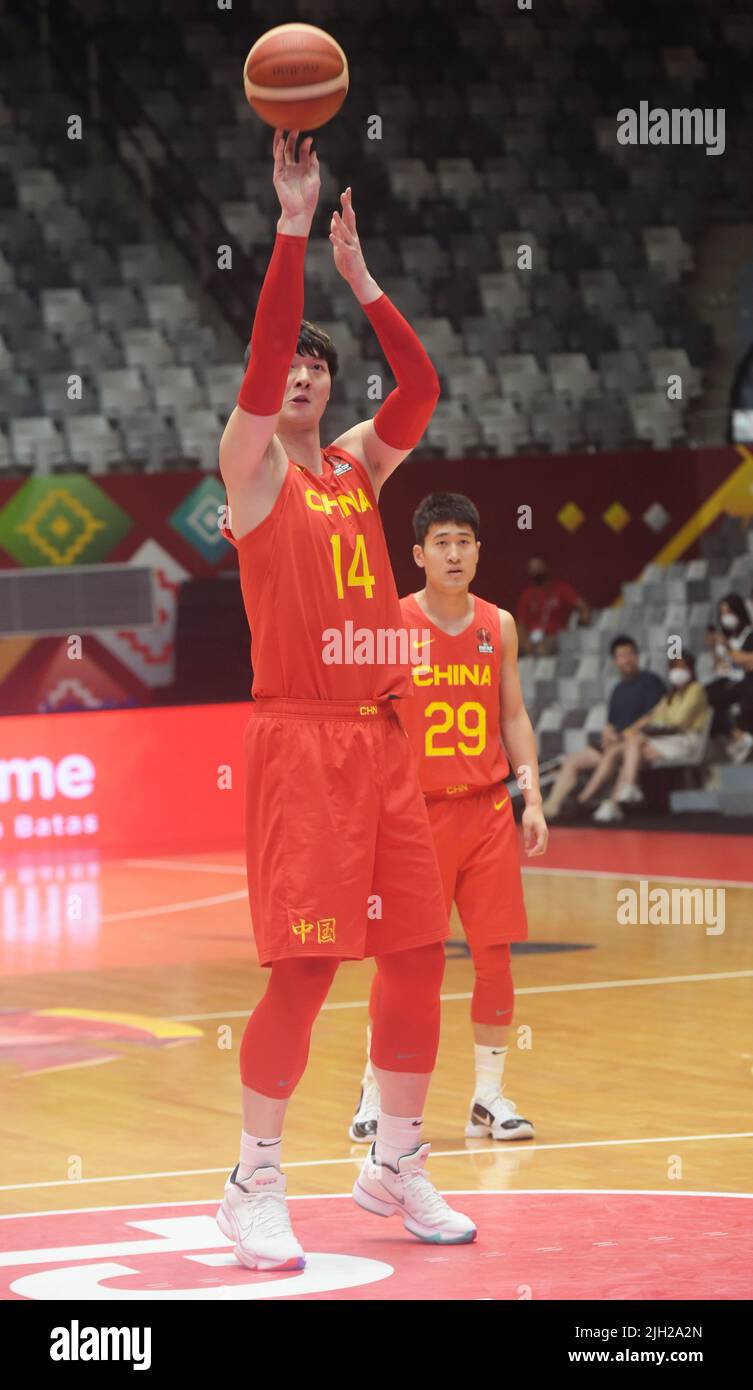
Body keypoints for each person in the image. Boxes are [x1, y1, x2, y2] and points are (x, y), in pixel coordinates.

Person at [216, 129, 476, 1270]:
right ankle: (251, 1180)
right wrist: (289, 222)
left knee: (419, 950)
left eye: (323, 365)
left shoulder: (355, 468)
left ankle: (396, 1162)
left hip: (383, 743)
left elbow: (419, 384)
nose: (308, 373)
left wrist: (362, 279)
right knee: (309, 968)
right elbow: (269, 349)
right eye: (295, 365)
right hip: (300, 744)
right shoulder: (253, 468)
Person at [349, 492, 548, 1146]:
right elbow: (366, 723)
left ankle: (488, 1097)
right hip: (414, 816)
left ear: (478, 550)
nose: (454, 553)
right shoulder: (391, 624)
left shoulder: (500, 624)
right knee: (406, 963)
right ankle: (376, 1090)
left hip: (488, 809)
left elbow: (512, 716)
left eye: (464, 541)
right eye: (441, 542)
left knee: (495, 957)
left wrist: (532, 796)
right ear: (418, 553)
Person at [542, 635, 665, 820]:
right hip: (614, 742)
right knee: (572, 760)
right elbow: (611, 722)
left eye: (631, 654)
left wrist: (625, 733)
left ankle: (590, 803)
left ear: (637, 656)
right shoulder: (617, 689)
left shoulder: (651, 681)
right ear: (615, 661)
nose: (627, 659)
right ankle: (552, 806)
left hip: (634, 743)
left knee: (613, 754)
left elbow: (654, 714)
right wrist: (607, 732)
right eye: (622, 655)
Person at [583, 654, 710, 822]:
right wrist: (662, 717)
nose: (678, 672)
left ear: (691, 669)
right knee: (617, 751)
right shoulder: (670, 695)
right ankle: (588, 800)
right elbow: (654, 717)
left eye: (682, 667)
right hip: (666, 741)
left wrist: (664, 716)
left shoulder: (696, 690)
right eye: (674, 668)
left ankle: (620, 796)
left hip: (686, 741)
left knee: (634, 743)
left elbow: (679, 721)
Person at [704, 593, 753, 765]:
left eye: (729, 612)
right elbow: (720, 665)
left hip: (746, 682)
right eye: (722, 613)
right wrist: (713, 648)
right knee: (703, 695)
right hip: (729, 680)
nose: (726, 617)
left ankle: (743, 736)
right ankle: (738, 736)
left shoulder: (749, 634)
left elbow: (746, 660)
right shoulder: (727, 638)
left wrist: (727, 647)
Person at [516, 554, 591, 656]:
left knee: (542, 650)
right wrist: (525, 642)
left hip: (555, 635)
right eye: (533, 569)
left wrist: (583, 618)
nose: (536, 571)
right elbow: (521, 624)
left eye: (539, 567)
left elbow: (582, 606)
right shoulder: (527, 595)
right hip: (532, 638)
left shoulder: (561, 589)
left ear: (546, 567)